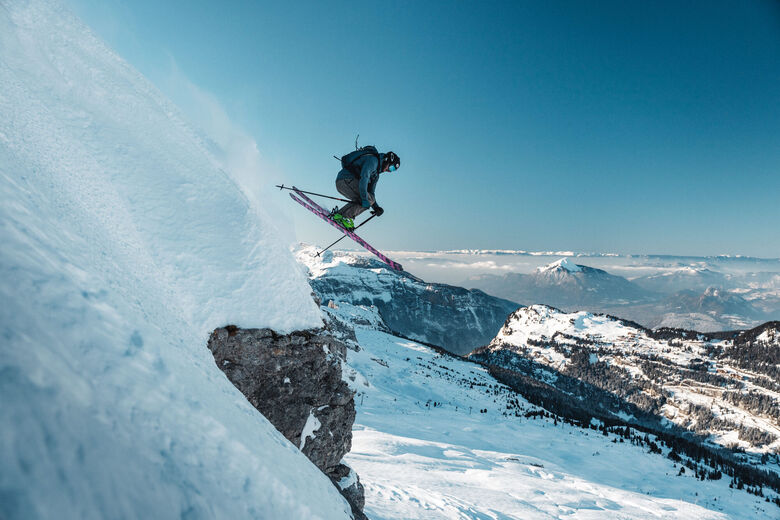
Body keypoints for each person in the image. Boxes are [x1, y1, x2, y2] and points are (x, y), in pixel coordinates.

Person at [330, 149, 400, 231]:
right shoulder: (373, 161)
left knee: (368, 199)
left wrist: (376, 207)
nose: (389, 171)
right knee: (367, 199)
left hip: (347, 183)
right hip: (345, 180)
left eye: (392, 170)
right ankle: (342, 216)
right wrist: (365, 199)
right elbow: (364, 179)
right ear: (386, 160)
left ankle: (340, 215)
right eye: (391, 167)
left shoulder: (376, 175)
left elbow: (371, 193)